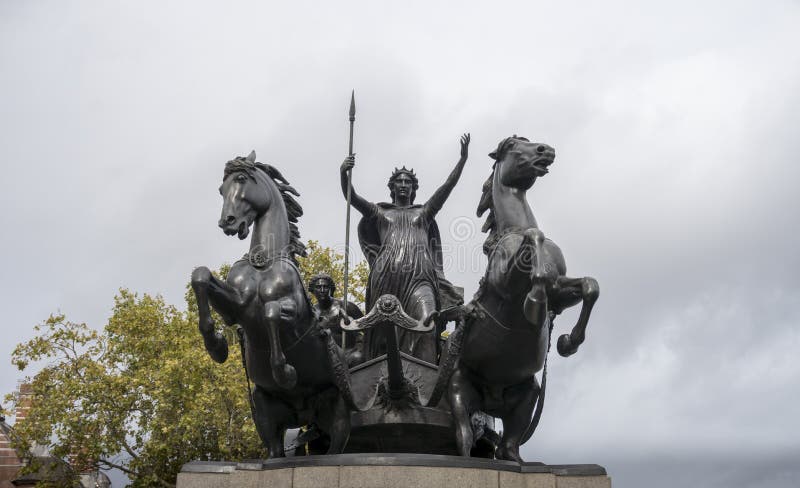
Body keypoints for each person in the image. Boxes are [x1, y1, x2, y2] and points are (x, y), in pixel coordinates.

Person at [339, 134, 469, 363]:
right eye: (399, 181)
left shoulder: (424, 212)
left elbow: (446, 188)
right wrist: (343, 174)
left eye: (408, 182)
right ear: (392, 187)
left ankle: (426, 376)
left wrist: (462, 160)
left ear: (413, 188)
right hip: (386, 278)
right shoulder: (380, 212)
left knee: (427, 320)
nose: (403, 185)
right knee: (383, 333)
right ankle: (383, 376)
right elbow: (353, 198)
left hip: (420, 278)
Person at [307, 273, 365, 366]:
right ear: (312, 290)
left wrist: (359, 347)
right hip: (325, 357)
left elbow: (365, 329)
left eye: (325, 287)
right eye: (318, 287)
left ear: (331, 289)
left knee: (357, 358)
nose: (322, 290)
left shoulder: (347, 306)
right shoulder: (311, 313)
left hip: (349, 354)